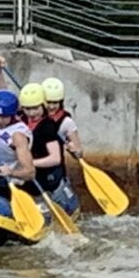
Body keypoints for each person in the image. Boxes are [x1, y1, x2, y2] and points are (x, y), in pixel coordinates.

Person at [20, 84, 80, 213]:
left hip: (49, 178)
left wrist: (75, 151)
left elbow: (57, 158)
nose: (31, 113)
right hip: (30, 175)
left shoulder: (51, 125)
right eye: (28, 109)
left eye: (35, 108)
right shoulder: (22, 118)